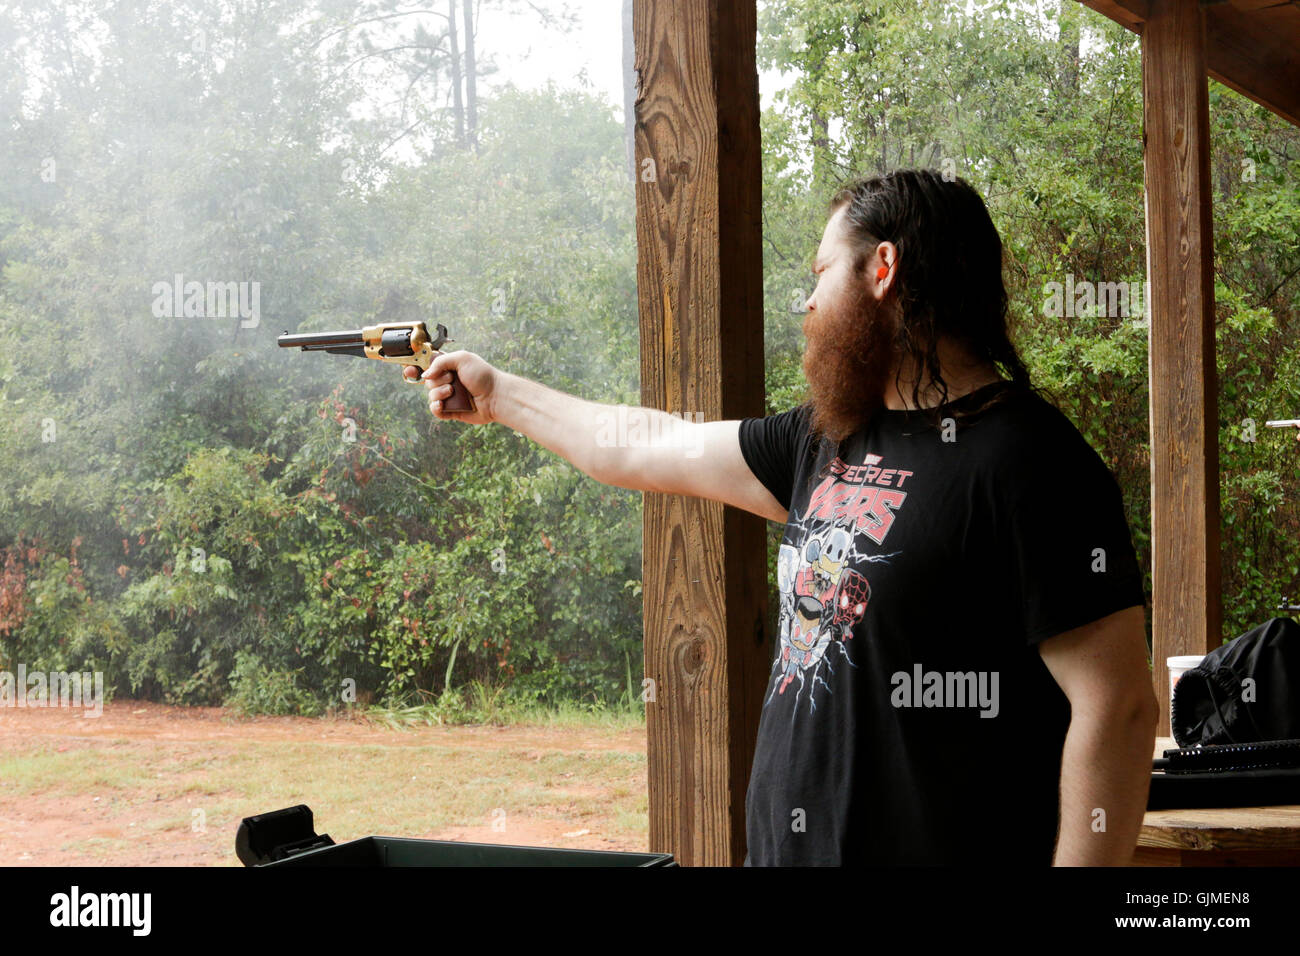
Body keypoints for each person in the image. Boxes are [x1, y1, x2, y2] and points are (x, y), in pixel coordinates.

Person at [404, 168, 1159, 866]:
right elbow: (647, 445)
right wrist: (501, 395)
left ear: (883, 270)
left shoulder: (1031, 461)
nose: (807, 302)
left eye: (821, 274)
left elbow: (1118, 709)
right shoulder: (824, 439)